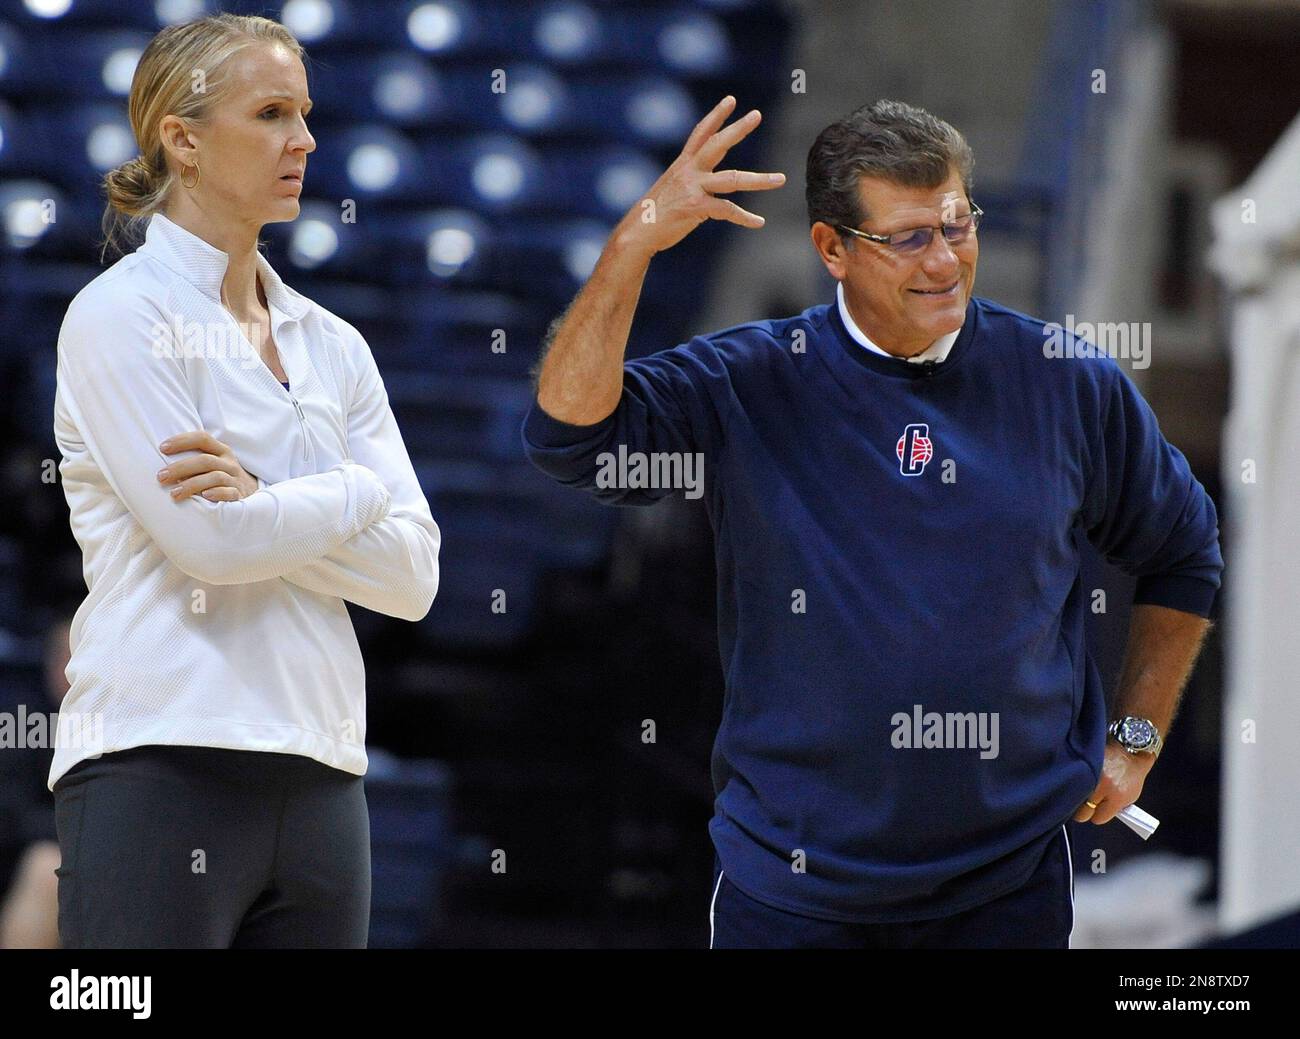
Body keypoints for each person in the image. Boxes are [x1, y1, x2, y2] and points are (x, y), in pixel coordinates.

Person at [521, 97, 1222, 948]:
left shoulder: (1067, 381)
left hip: (1004, 888)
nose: (946, 261)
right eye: (910, 238)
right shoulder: (752, 377)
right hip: (792, 886)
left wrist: (1137, 737)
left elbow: (1183, 550)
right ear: (832, 250)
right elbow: (572, 437)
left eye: (958, 226)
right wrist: (633, 243)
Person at [50, 14, 439, 948]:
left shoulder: (333, 342)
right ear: (181, 138)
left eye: (304, 114)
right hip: (154, 757)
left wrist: (264, 493)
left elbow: (415, 576)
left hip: (323, 769)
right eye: (270, 113)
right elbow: (213, 546)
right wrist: (350, 490)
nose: (304, 140)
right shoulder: (117, 316)